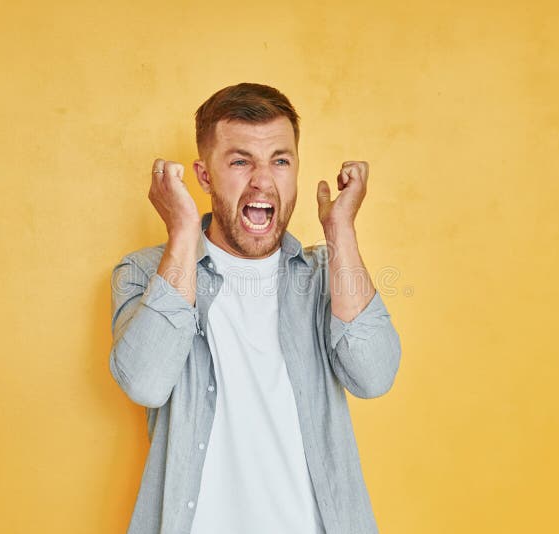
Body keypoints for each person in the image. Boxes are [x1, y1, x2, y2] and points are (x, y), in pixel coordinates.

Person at [109, 82, 401, 534]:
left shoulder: (327, 273)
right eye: (240, 161)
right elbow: (145, 382)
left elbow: (374, 375)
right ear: (204, 177)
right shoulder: (145, 273)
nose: (263, 180)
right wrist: (184, 232)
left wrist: (341, 230)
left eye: (280, 161)